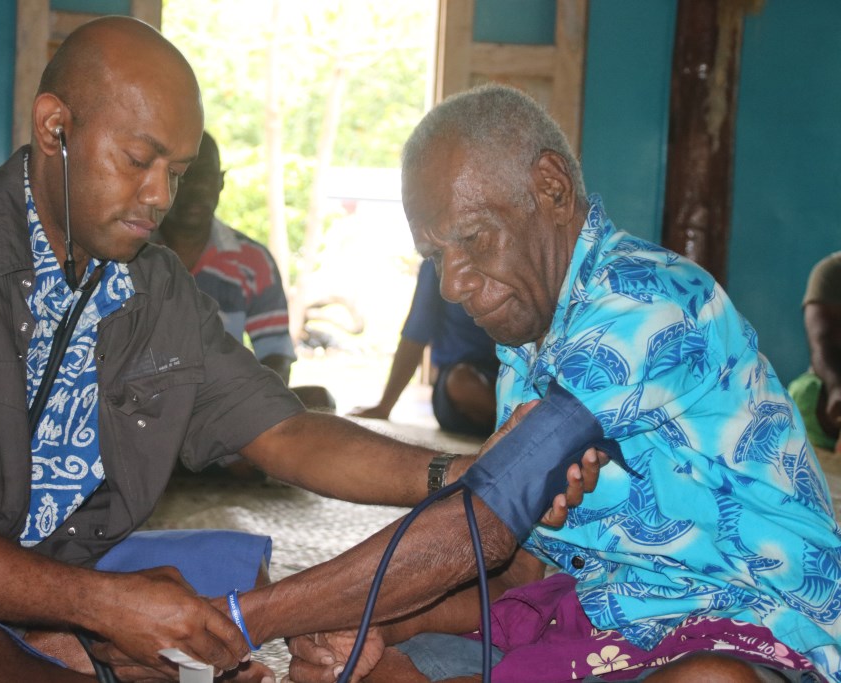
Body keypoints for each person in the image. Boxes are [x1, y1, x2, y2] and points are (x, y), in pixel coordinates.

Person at [0, 19, 596, 683]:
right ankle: (70, 659)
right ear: (55, 127)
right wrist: (97, 610)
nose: (161, 195)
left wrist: (455, 473)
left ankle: (56, 644)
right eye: (139, 160)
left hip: (44, 563)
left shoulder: (147, 286)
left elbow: (285, 432)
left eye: (179, 171)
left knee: (228, 578)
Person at [224, 84, 841, 683]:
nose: (453, 285)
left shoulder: (649, 302)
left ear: (551, 187)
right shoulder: (526, 348)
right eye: (435, 256)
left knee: (711, 682)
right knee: (373, 664)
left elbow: (483, 522)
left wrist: (243, 619)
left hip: (753, 620)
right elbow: (522, 570)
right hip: (604, 620)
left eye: (472, 238)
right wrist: (365, 620)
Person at [152, 130, 334, 413]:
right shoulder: (131, 254)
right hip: (146, 411)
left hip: (221, 411)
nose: (196, 188)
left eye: (206, 177)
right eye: (183, 175)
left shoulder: (252, 261)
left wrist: (249, 411)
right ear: (164, 180)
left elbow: (276, 355)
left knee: (319, 401)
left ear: (221, 183)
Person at [351, 257, 498, 437]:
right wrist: (385, 406)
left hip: (510, 374)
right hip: (461, 377)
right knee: (462, 383)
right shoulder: (437, 261)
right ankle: (521, 420)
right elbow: (415, 335)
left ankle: (522, 418)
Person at [789, 252, 841, 453]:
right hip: (829, 388)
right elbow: (821, 342)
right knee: (804, 393)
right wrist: (836, 387)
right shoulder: (832, 272)